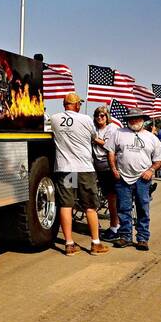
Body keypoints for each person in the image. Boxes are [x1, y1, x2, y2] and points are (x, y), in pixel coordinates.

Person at [48, 93, 109, 256]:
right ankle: (95, 243)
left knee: (66, 205)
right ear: (76, 105)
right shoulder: (86, 120)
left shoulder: (54, 119)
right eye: (79, 104)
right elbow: (93, 137)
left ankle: (69, 244)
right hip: (84, 168)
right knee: (90, 206)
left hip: (66, 169)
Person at [108, 111, 161, 250]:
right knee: (123, 208)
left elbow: (160, 159)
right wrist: (114, 170)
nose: (134, 121)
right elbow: (110, 152)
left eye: (137, 118)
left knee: (143, 208)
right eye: (131, 119)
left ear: (143, 120)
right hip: (122, 177)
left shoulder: (151, 138)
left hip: (142, 179)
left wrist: (151, 170)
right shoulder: (118, 133)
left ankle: (142, 238)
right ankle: (125, 236)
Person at [91, 106, 120, 241]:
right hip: (97, 167)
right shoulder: (94, 129)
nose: (99, 117)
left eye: (102, 115)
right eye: (97, 115)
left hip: (109, 166)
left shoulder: (111, 128)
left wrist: (94, 139)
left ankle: (115, 227)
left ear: (107, 116)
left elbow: (108, 146)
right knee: (104, 198)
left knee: (112, 199)